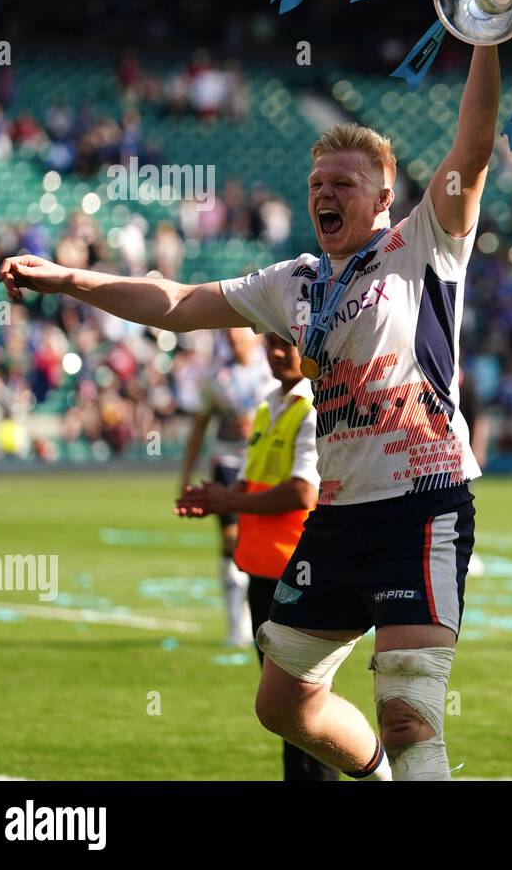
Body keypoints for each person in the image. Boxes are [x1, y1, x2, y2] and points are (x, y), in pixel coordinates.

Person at [0, 42, 500, 781]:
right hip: (338, 515)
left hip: (422, 505)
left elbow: (475, 144)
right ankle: (380, 774)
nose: (325, 192)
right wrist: (70, 279)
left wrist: (484, 36)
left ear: (384, 197)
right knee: (282, 704)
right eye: (316, 182)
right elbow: (174, 304)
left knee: (406, 710)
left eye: (345, 182)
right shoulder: (293, 282)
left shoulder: (424, 245)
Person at [175, 331, 339, 780]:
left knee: (304, 700)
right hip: (267, 571)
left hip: (301, 573)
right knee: (283, 707)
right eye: (271, 345)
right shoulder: (270, 406)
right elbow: (251, 483)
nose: (278, 354)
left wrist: (231, 503)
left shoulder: (314, 407)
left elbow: (302, 490)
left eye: (288, 345)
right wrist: (217, 497)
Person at [179, 326, 275, 648]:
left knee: (265, 538)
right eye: (230, 336)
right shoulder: (216, 377)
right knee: (231, 540)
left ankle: (273, 618)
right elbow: (199, 428)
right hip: (228, 461)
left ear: (256, 335)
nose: (235, 341)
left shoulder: (274, 368)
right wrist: (185, 476)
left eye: (240, 335)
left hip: (266, 464)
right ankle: (237, 625)